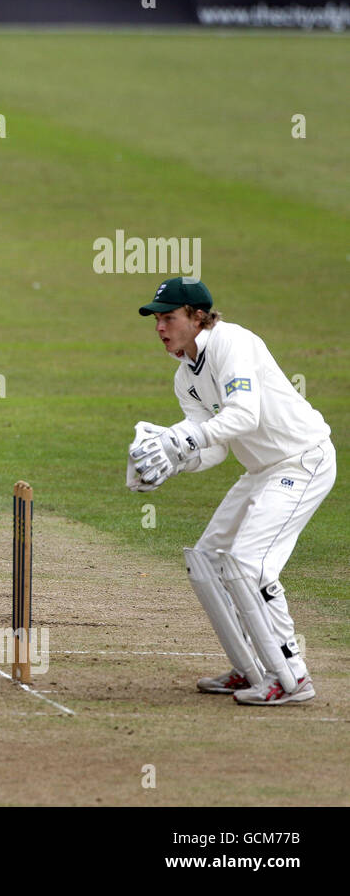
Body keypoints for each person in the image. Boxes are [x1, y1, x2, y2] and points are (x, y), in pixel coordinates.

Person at [128, 277, 335, 705]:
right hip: (262, 468)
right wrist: (174, 461)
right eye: (157, 320)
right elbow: (216, 449)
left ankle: (292, 677)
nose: (160, 328)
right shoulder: (186, 375)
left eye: (169, 318)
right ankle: (250, 669)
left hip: (302, 460)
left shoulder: (232, 344)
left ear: (198, 317)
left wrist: (183, 442)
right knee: (206, 559)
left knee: (251, 565)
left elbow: (243, 417)